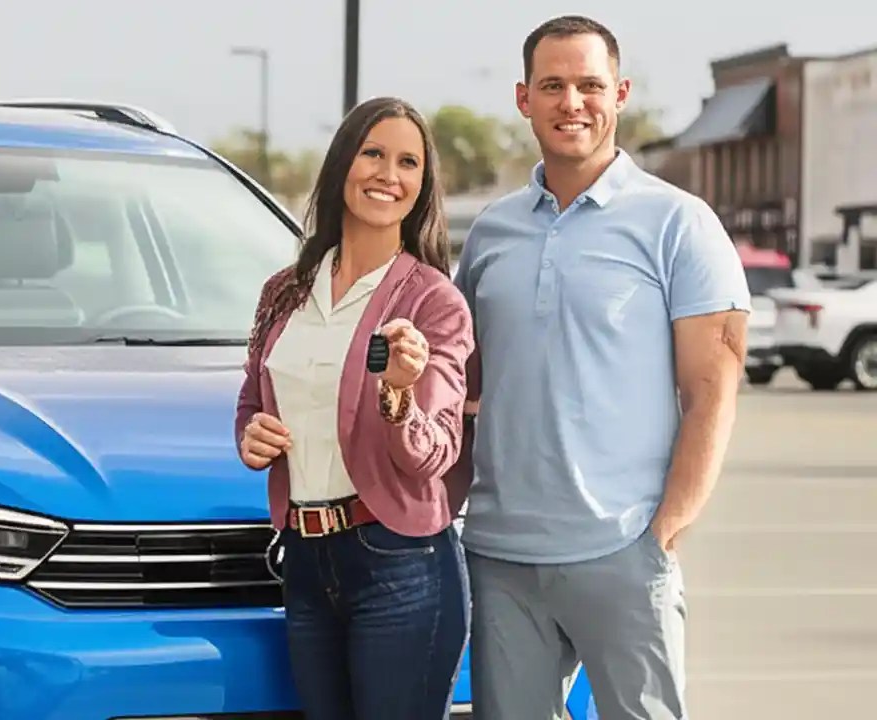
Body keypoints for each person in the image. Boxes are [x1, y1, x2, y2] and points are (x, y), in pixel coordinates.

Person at [449, 15, 751, 720]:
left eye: (589, 85)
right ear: (524, 99)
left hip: (621, 550)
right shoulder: (491, 231)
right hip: (500, 556)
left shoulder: (678, 223)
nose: (572, 103)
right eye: (552, 85)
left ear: (620, 94)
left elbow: (712, 390)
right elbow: (463, 388)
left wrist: (663, 535)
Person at [234, 96, 474, 720]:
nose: (388, 175)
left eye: (408, 162)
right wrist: (251, 435)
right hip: (304, 560)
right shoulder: (284, 291)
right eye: (373, 154)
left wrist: (398, 395)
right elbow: (253, 398)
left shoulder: (433, 303)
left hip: (400, 564)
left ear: (423, 186)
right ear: (342, 163)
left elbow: (435, 455)